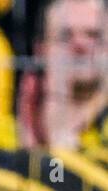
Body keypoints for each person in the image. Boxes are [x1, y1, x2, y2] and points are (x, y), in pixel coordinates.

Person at [17, 0, 108, 149]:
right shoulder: (3, 127)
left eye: (93, 35)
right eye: (65, 36)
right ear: (40, 49)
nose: (80, 45)